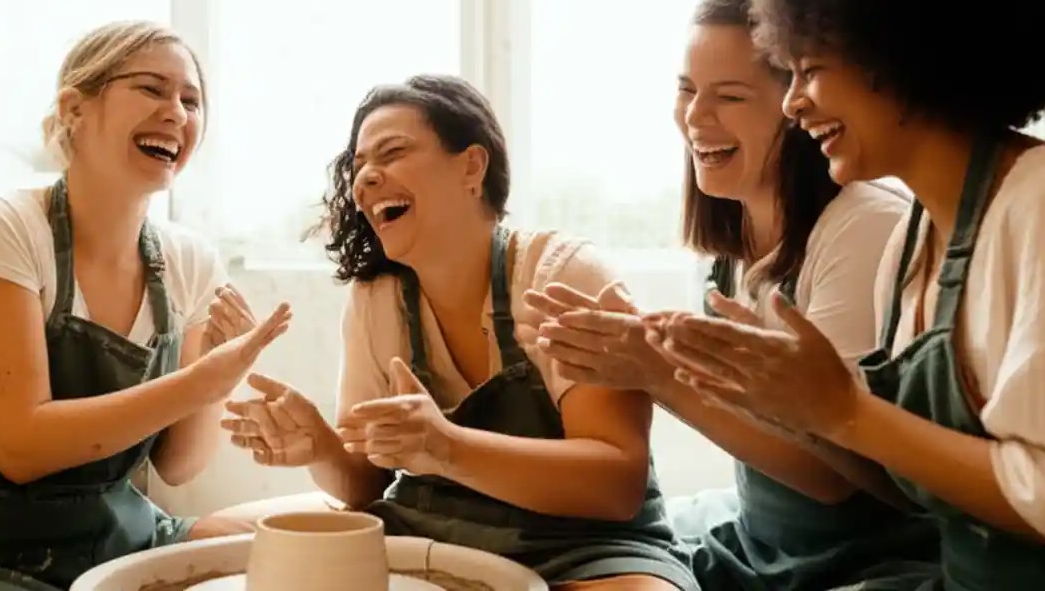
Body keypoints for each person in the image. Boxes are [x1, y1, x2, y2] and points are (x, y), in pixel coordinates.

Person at [651, 0, 1045, 588]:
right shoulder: (913, 241)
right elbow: (907, 490)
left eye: (810, 70)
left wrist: (843, 411)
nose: (794, 105)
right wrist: (790, 405)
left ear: (901, 57)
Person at [521, 0, 939, 590]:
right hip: (759, 541)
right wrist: (642, 348)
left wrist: (658, 372)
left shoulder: (865, 225)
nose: (695, 116)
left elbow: (831, 477)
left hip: (867, 562)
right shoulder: (731, 242)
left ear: (797, 107)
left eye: (730, 96)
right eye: (687, 90)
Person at [222, 74, 699, 591]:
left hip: (586, 547)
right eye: (359, 166)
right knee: (220, 540)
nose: (365, 180)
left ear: (472, 167)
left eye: (392, 152)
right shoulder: (377, 299)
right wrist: (322, 449)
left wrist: (446, 445)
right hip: (432, 532)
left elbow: (616, 485)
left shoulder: (560, 274)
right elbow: (367, 486)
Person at [0, 21, 292, 590]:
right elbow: (19, 447)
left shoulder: (190, 261)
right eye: (151, 88)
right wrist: (200, 381)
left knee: (296, 547)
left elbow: (177, 466)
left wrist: (219, 378)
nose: (177, 112)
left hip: (109, 534)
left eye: (191, 100)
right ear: (75, 108)